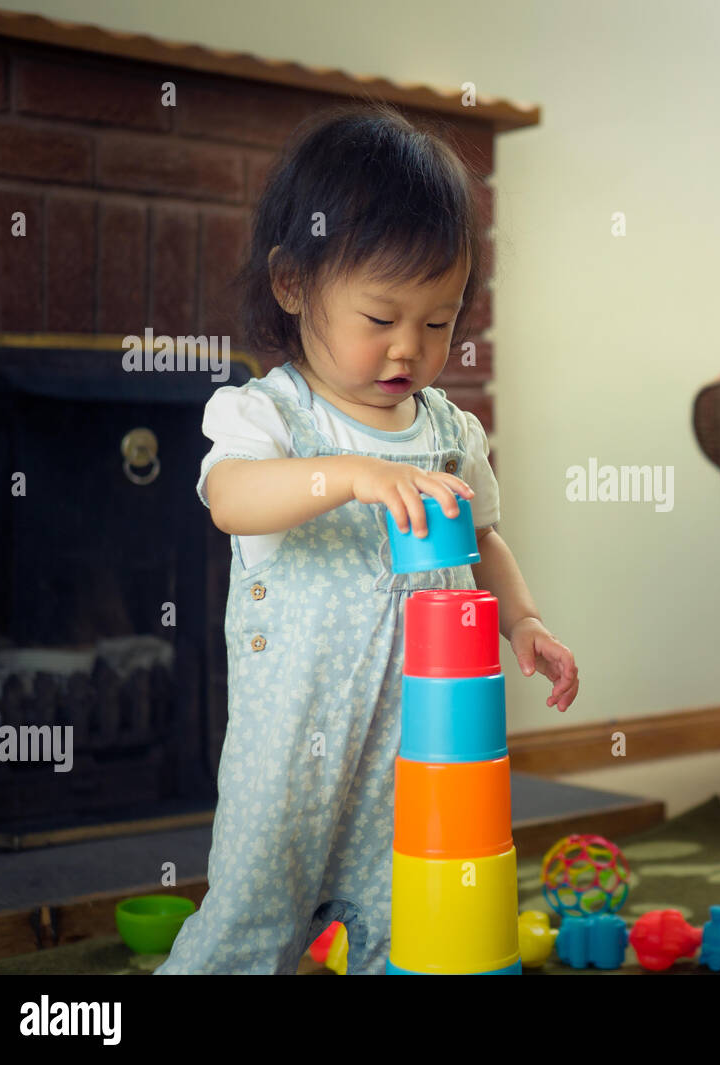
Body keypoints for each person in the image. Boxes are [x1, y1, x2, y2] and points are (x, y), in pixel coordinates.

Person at [155, 103, 578, 975]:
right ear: (293, 284)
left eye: (438, 321)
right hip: (295, 732)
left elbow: (482, 538)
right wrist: (348, 475)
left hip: (418, 736)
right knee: (255, 906)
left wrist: (524, 619)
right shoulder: (272, 412)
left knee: (412, 909)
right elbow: (231, 499)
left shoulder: (450, 429)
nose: (410, 349)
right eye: (381, 317)